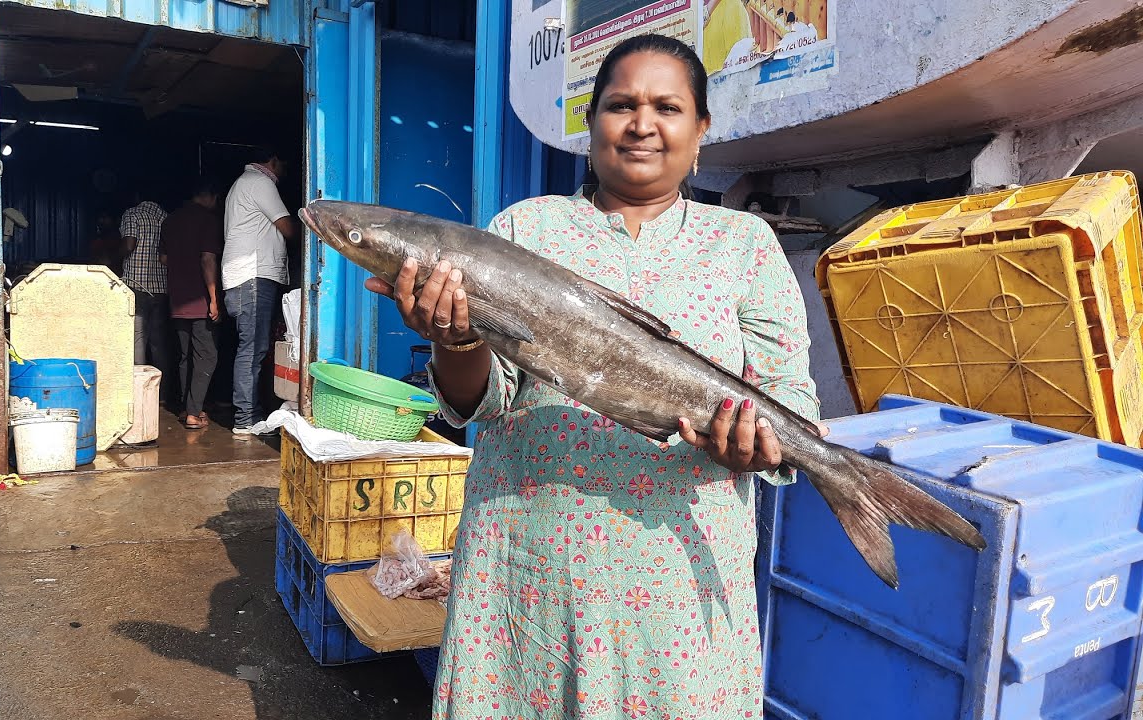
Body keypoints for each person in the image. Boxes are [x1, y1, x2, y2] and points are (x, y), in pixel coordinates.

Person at [367, 34, 822, 719]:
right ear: (592, 123)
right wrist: (455, 342)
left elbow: (790, 397)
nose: (642, 124)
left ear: (700, 130)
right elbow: (483, 404)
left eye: (667, 107)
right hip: (530, 568)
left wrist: (760, 446)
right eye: (620, 105)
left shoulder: (745, 246)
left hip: (680, 586)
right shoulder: (525, 228)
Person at [221, 146, 299, 434]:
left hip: (244, 277)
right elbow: (288, 227)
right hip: (253, 276)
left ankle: (249, 413)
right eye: (283, 164)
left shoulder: (241, 185)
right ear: (273, 159)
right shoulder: (260, 182)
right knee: (252, 349)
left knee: (251, 348)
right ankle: (245, 418)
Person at [160, 177, 223, 430]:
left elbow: (164, 258)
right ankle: (194, 413)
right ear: (208, 196)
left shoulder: (170, 220)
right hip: (199, 298)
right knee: (207, 355)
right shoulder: (208, 220)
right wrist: (214, 298)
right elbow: (208, 260)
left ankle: (188, 406)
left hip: (178, 297)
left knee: (186, 356)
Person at [120, 190, 174, 390]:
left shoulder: (132, 214)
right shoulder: (166, 217)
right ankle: (162, 392)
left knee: (138, 339)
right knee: (158, 341)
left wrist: (116, 256)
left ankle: (139, 389)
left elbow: (129, 244)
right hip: (160, 287)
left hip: (136, 284)